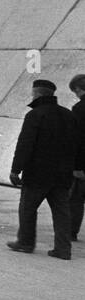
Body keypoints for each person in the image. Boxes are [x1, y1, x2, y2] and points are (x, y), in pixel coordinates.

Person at [8, 78, 85, 259]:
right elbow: (78, 145)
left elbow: (25, 144)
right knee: (61, 212)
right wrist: (77, 167)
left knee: (28, 208)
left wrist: (15, 169)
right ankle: (63, 249)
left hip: (38, 173)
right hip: (63, 174)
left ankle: (25, 243)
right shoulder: (68, 115)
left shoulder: (35, 115)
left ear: (36, 94)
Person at [70, 74, 85, 240]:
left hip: (82, 164)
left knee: (75, 200)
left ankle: (72, 232)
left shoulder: (79, 109)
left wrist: (77, 167)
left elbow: (79, 140)